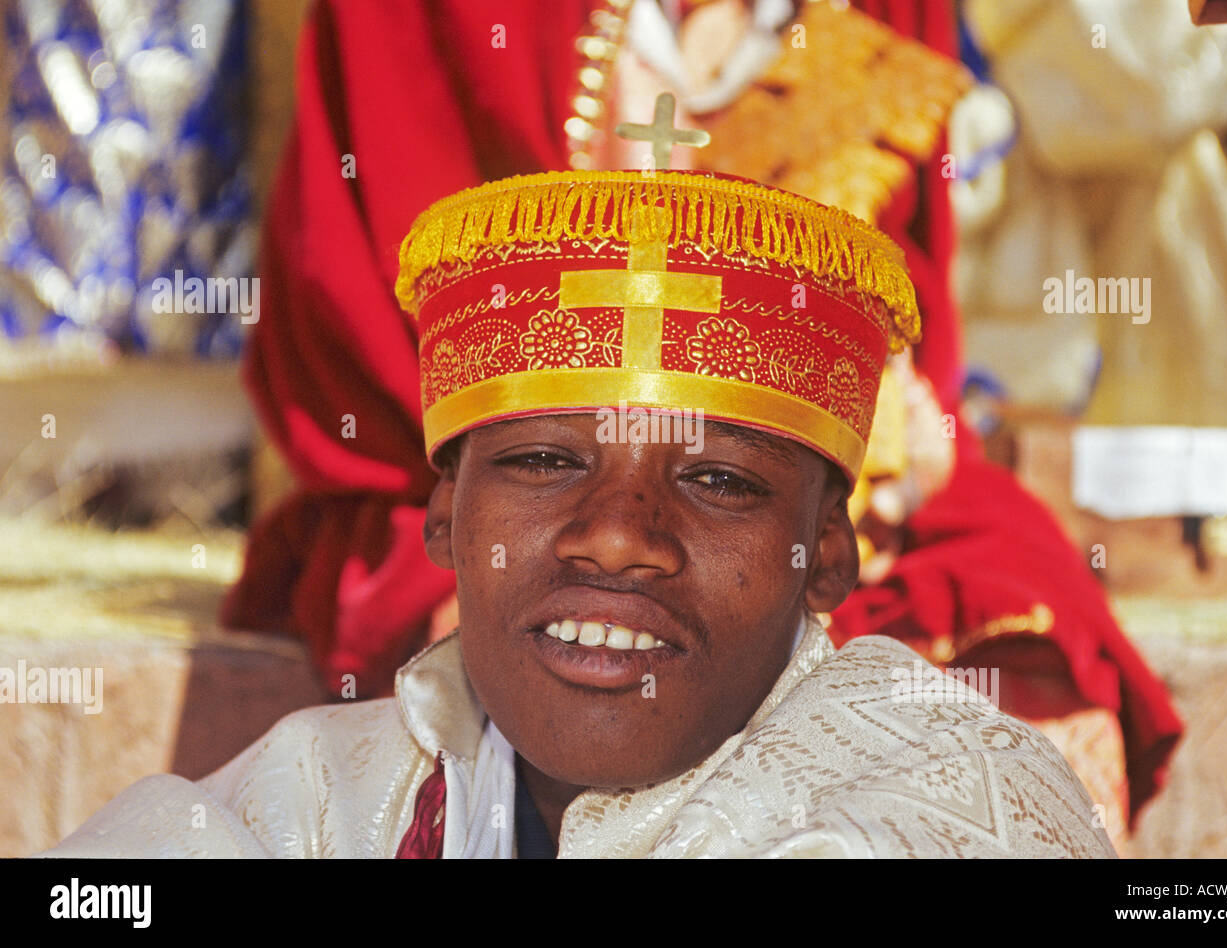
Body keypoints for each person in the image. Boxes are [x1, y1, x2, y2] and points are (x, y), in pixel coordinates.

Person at [221, 0, 1181, 850]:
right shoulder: (285, 809)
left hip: (822, 462)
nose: (621, 537)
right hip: (478, 449)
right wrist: (524, 448)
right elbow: (358, 295)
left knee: (1033, 626)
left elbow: (901, 282)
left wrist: (857, 439)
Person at [42, 168, 1114, 858]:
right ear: (446, 520)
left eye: (717, 481)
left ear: (826, 554)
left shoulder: (952, 809)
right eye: (547, 461)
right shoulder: (319, 795)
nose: (615, 533)